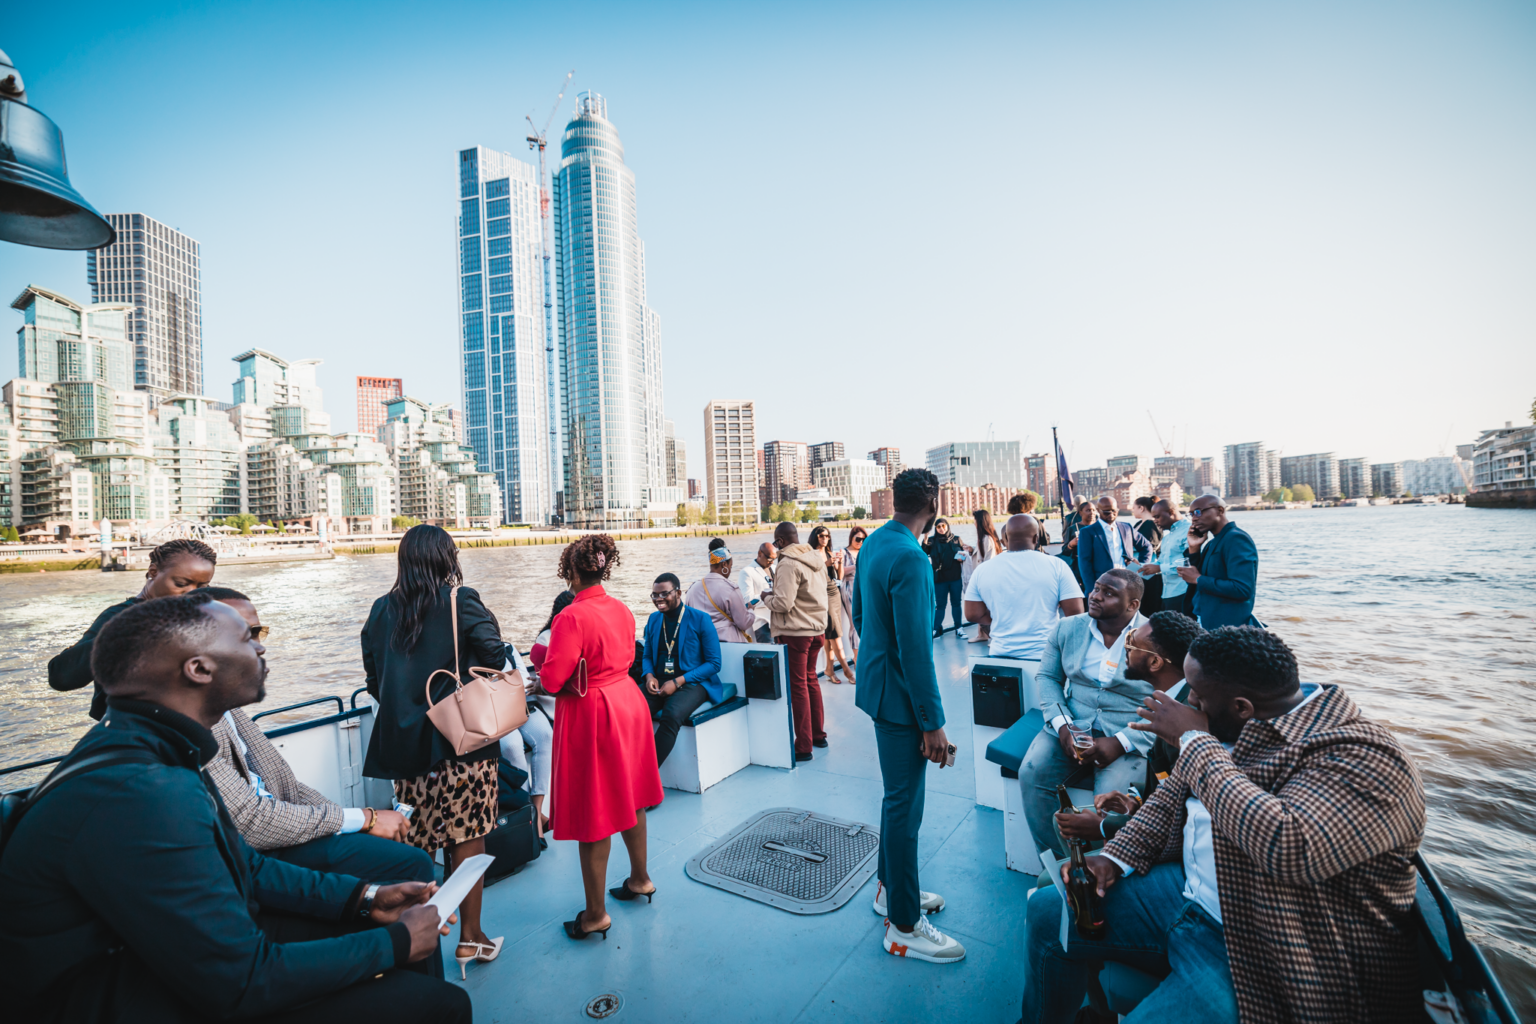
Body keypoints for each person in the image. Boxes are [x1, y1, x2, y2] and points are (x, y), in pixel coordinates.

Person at [0, 592, 470, 1023]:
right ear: (199, 669)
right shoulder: (142, 791)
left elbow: (248, 866)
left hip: (161, 960)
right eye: (248, 638)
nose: (261, 649)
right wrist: (395, 942)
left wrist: (366, 899)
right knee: (438, 1006)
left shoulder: (159, 750)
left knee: (402, 929)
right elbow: (243, 981)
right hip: (117, 996)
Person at [1020, 626, 1427, 1024]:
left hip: (1268, 944)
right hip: (1187, 897)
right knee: (1047, 913)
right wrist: (1112, 857)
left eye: (1196, 695)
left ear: (1242, 707)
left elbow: (1290, 847)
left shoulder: (1367, 760)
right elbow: (1168, 802)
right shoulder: (1232, 723)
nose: (1187, 702)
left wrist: (1195, 742)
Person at [201, 588, 437, 903]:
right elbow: (250, 821)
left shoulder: (231, 710)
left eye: (259, 633)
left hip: (278, 837)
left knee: (401, 856)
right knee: (411, 862)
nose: (259, 648)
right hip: (255, 857)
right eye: (244, 637)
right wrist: (363, 819)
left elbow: (285, 784)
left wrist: (353, 819)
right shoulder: (200, 720)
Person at [359, 524, 503, 977]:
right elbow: (495, 659)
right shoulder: (461, 600)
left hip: (408, 752)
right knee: (468, 837)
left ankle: (418, 945)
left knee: (419, 848)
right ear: (447, 559)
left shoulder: (381, 610)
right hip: (463, 746)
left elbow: (373, 680)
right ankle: (471, 940)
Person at [852, 467, 965, 964]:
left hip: (877, 690)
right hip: (903, 704)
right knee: (906, 809)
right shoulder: (914, 560)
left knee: (895, 800)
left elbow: (859, 615)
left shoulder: (874, 544)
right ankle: (902, 924)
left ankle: (888, 890)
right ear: (934, 505)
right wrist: (932, 722)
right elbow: (916, 650)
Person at [539, 535, 663, 940]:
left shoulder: (570, 618)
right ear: (603, 567)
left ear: (572, 571)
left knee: (596, 812)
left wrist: (541, 659)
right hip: (628, 703)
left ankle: (595, 915)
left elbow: (554, 679)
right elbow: (626, 656)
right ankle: (640, 879)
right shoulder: (622, 609)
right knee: (633, 796)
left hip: (594, 712)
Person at [1019, 568, 1151, 859]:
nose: (1095, 596)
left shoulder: (1156, 637)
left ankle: (1105, 869)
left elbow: (1169, 701)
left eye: (1109, 593)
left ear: (1133, 605)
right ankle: (1059, 864)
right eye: (1095, 588)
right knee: (1032, 773)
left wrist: (1121, 742)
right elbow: (1048, 678)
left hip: (1129, 733)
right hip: (1072, 724)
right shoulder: (1068, 628)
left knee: (1110, 801)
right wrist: (1063, 726)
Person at [1052, 610, 1202, 846]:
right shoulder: (1171, 700)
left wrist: (1104, 827)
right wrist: (1136, 799)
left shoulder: (1181, 723)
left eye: (1131, 641)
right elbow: (1168, 785)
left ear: (1155, 662)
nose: (1124, 646)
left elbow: (1181, 818)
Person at [48, 536, 218, 721]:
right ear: (153, 572)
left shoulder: (197, 615)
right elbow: (62, 677)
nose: (192, 594)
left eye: (202, 586)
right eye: (180, 584)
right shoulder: (119, 617)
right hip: (138, 734)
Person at [962, 515, 1083, 663]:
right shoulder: (1057, 566)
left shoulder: (982, 570)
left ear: (1006, 538)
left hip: (1001, 653)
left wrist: (1002, 617)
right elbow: (1076, 614)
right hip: (1045, 655)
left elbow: (972, 614)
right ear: (1036, 538)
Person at [643, 572, 725, 766]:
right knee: (631, 710)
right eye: (654, 595)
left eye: (664, 594)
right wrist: (648, 676)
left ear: (678, 593)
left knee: (671, 715)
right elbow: (646, 655)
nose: (658, 599)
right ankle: (626, 765)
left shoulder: (700, 619)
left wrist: (678, 681)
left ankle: (646, 774)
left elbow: (714, 663)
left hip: (693, 682)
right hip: (658, 682)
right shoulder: (654, 620)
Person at [765, 521, 831, 760]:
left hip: (796, 633)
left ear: (781, 542)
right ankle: (818, 735)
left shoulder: (787, 564)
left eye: (776, 543)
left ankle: (803, 746)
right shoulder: (815, 558)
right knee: (811, 680)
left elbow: (783, 603)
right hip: (817, 630)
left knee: (798, 686)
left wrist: (766, 597)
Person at [1179, 495, 1260, 628]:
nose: (1194, 518)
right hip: (1204, 620)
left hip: (1226, 628)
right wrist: (1194, 548)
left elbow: (1243, 589)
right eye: (1191, 514)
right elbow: (1196, 577)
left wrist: (1198, 579)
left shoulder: (1236, 539)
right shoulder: (1212, 543)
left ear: (1220, 511)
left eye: (1198, 512)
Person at [1076, 496, 1152, 599]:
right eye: (1106, 512)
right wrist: (1091, 589)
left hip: (1128, 583)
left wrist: (1141, 566)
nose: (1111, 514)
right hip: (1103, 585)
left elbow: (1146, 547)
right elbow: (1084, 563)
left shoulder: (1127, 527)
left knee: (1129, 613)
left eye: (1114, 511)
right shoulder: (1087, 532)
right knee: (1105, 614)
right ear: (1098, 510)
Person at [685, 539, 757, 643]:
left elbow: (689, 620)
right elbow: (744, 623)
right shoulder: (731, 589)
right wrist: (750, 610)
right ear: (724, 565)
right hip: (727, 645)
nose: (730, 570)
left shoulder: (693, 589)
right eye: (730, 566)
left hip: (701, 645)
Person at [810, 525, 854, 685]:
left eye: (827, 536)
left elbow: (840, 576)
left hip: (834, 592)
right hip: (822, 595)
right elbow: (810, 575)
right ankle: (847, 670)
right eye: (821, 535)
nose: (824, 538)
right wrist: (826, 564)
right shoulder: (811, 554)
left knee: (829, 636)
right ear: (815, 537)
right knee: (835, 633)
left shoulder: (829, 552)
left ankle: (829, 669)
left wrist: (840, 563)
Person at [962, 509, 1005, 643]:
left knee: (987, 608)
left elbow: (989, 561)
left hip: (985, 580)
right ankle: (982, 634)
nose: (973, 522)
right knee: (983, 607)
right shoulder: (984, 538)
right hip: (982, 579)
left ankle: (994, 637)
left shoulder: (987, 539)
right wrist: (971, 550)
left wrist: (982, 581)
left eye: (975, 520)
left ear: (980, 521)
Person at [922, 517, 967, 637]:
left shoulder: (956, 539)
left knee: (956, 603)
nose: (941, 529)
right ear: (936, 529)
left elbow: (964, 554)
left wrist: (963, 556)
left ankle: (959, 628)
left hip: (955, 578)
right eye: (938, 527)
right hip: (940, 579)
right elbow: (923, 553)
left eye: (943, 526)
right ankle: (936, 629)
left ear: (947, 526)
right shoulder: (931, 541)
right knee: (940, 605)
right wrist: (925, 538)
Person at [1151, 499, 1192, 616]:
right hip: (1167, 593)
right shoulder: (1168, 536)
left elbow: (1189, 564)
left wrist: (1159, 568)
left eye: (1157, 517)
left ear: (1170, 512)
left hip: (1183, 592)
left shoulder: (1188, 531)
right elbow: (1161, 562)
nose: (1155, 521)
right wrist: (1141, 566)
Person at [738, 541, 777, 643]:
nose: (772, 562)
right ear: (760, 553)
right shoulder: (747, 572)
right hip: (762, 623)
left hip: (778, 621)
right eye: (769, 558)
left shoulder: (775, 568)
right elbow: (747, 599)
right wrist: (767, 597)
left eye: (774, 559)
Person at [1131, 496, 1164, 613]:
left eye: (1134, 507)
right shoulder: (1139, 524)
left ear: (1141, 508)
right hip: (1140, 570)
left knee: (1148, 606)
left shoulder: (1150, 525)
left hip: (1150, 573)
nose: (1132, 509)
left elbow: (1150, 546)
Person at [840, 526, 867, 659]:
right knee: (855, 623)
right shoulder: (844, 552)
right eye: (858, 539)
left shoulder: (864, 551)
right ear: (851, 538)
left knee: (866, 622)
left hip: (865, 588)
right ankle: (857, 659)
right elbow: (841, 573)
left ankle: (864, 656)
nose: (860, 542)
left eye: (863, 539)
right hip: (850, 587)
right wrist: (857, 566)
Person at [1060, 500, 1096, 588]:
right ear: (1080, 513)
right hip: (1079, 567)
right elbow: (1065, 551)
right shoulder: (1072, 529)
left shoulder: (1099, 528)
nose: (1091, 513)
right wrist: (1071, 544)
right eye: (1088, 510)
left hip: (1096, 565)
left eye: (1093, 510)